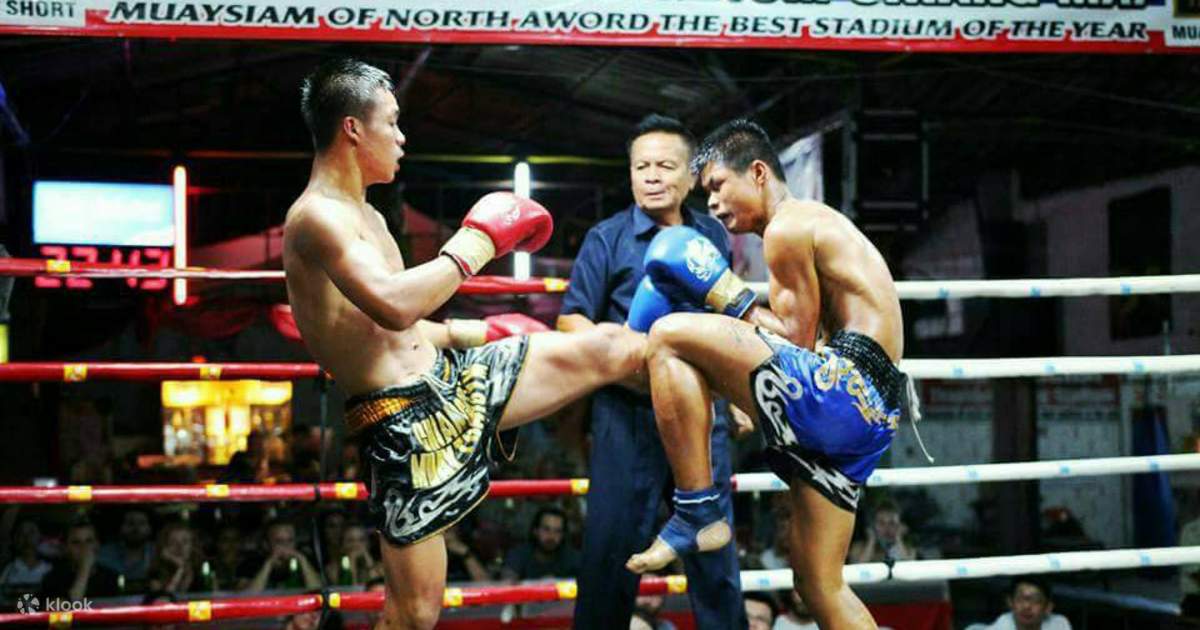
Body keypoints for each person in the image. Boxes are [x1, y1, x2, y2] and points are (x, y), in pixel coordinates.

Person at [281, 58, 646, 629]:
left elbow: (393, 327)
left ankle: (734, 426)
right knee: (414, 614)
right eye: (394, 123)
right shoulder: (314, 219)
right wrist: (476, 243)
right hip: (402, 423)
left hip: (456, 380)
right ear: (353, 129)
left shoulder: (370, 217)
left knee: (613, 349)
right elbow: (396, 302)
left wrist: (477, 330)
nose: (403, 137)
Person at [625, 119, 917, 630]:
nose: (712, 204)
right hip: (871, 411)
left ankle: (696, 508)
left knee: (669, 335)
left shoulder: (787, 226)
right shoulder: (816, 224)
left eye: (718, 186)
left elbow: (791, 342)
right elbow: (798, 345)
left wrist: (721, 290)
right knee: (818, 583)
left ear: (757, 172)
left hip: (841, 391)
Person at [559, 113, 746, 630]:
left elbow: (728, 316)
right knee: (611, 556)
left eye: (666, 165)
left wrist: (737, 396)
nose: (652, 176)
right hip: (628, 415)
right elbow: (570, 318)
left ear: (691, 177)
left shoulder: (711, 232)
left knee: (716, 559)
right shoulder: (608, 237)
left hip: (703, 413)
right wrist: (630, 354)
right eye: (641, 166)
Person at [41, 519, 121, 601]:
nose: (84, 548)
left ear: (97, 544)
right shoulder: (53, 579)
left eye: (89, 541)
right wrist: (84, 569)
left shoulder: (111, 578)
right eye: (76, 542)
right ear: (66, 548)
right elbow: (64, 610)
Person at [500, 506, 579, 581]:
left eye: (558, 531)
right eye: (546, 529)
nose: (551, 536)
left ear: (563, 535)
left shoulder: (571, 557)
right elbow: (507, 585)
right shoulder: (519, 554)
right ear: (535, 531)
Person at [244, 518, 322, 592]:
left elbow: (319, 592)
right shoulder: (251, 564)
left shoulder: (306, 561)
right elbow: (246, 598)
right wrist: (268, 565)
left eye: (290, 541)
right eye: (279, 542)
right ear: (266, 545)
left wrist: (303, 561)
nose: (286, 546)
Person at [967, 578, 1072, 630]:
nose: (1027, 606)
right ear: (1010, 602)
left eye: (1035, 600)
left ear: (1048, 608)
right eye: (1021, 599)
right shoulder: (1002, 627)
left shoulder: (1059, 624)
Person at [96, 508, 154, 591]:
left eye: (142, 523)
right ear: (120, 527)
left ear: (149, 528)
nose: (136, 529)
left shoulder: (157, 553)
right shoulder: (105, 554)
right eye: (130, 523)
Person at [0, 519, 51, 602]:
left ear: (40, 537)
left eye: (31, 532)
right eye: (21, 534)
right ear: (15, 540)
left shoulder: (50, 570)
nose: (27, 538)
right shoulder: (7, 569)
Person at [849, 500, 916, 563]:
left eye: (892, 523)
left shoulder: (908, 548)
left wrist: (899, 539)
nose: (887, 528)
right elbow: (858, 566)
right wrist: (871, 541)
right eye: (881, 523)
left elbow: (909, 565)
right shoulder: (858, 547)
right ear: (873, 525)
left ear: (900, 526)